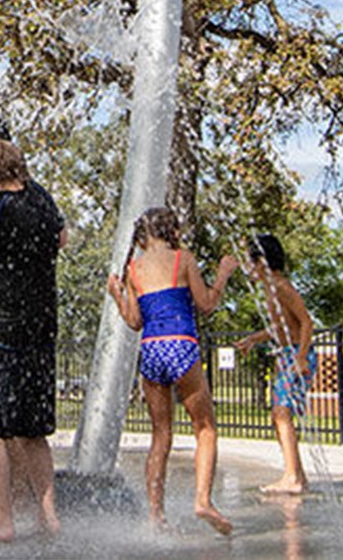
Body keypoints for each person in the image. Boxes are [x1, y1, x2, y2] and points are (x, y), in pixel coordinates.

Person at [105, 207, 237, 536]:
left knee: (161, 435)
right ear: (172, 231)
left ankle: (155, 516)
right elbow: (206, 304)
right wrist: (223, 274)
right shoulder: (183, 259)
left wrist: (118, 295)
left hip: (151, 350)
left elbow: (135, 322)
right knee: (205, 427)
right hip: (181, 344)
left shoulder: (133, 269)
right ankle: (203, 501)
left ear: (142, 237)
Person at [0, 139, 64, 542]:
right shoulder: (43, 205)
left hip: (1, 329)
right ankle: (49, 517)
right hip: (41, 329)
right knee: (32, 429)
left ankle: (1, 520)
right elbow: (62, 238)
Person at [233, 233, 319, 495]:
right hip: (288, 355)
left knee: (282, 413)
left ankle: (292, 477)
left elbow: (306, 322)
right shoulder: (271, 289)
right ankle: (298, 476)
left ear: (262, 261)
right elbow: (280, 328)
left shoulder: (282, 286)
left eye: (251, 261)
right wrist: (253, 339)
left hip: (297, 355)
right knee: (279, 415)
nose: (248, 268)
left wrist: (301, 358)